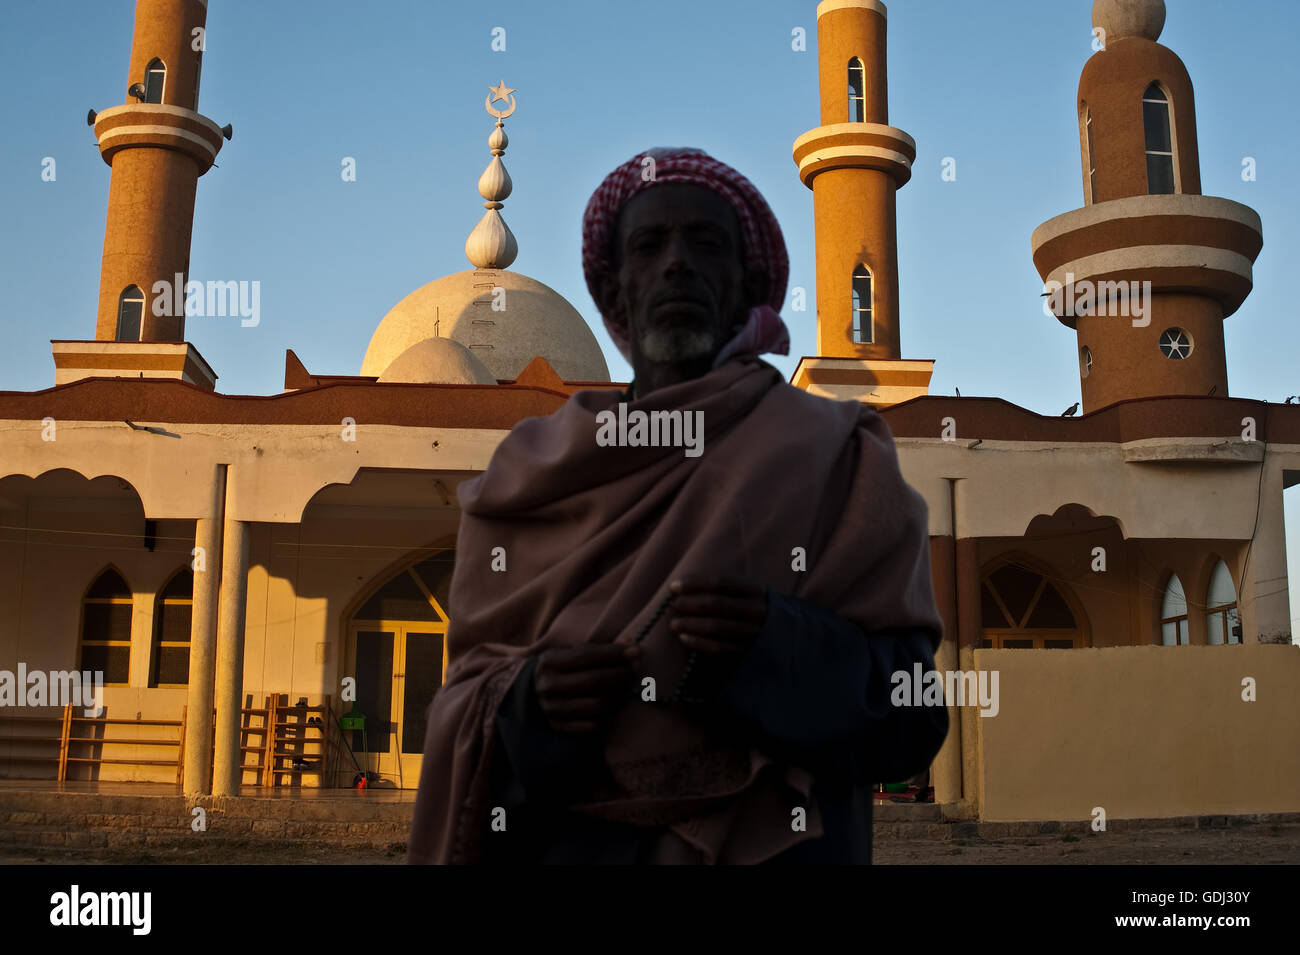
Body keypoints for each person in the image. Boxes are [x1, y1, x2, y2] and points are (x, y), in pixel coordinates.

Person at [408, 147, 948, 864]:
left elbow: (910, 716)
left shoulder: (835, 453)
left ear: (747, 282)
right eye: (649, 245)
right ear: (615, 288)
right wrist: (529, 700)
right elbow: (465, 697)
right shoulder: (532, 474)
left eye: (705, 243)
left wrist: (773, 641)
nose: (677, 265)